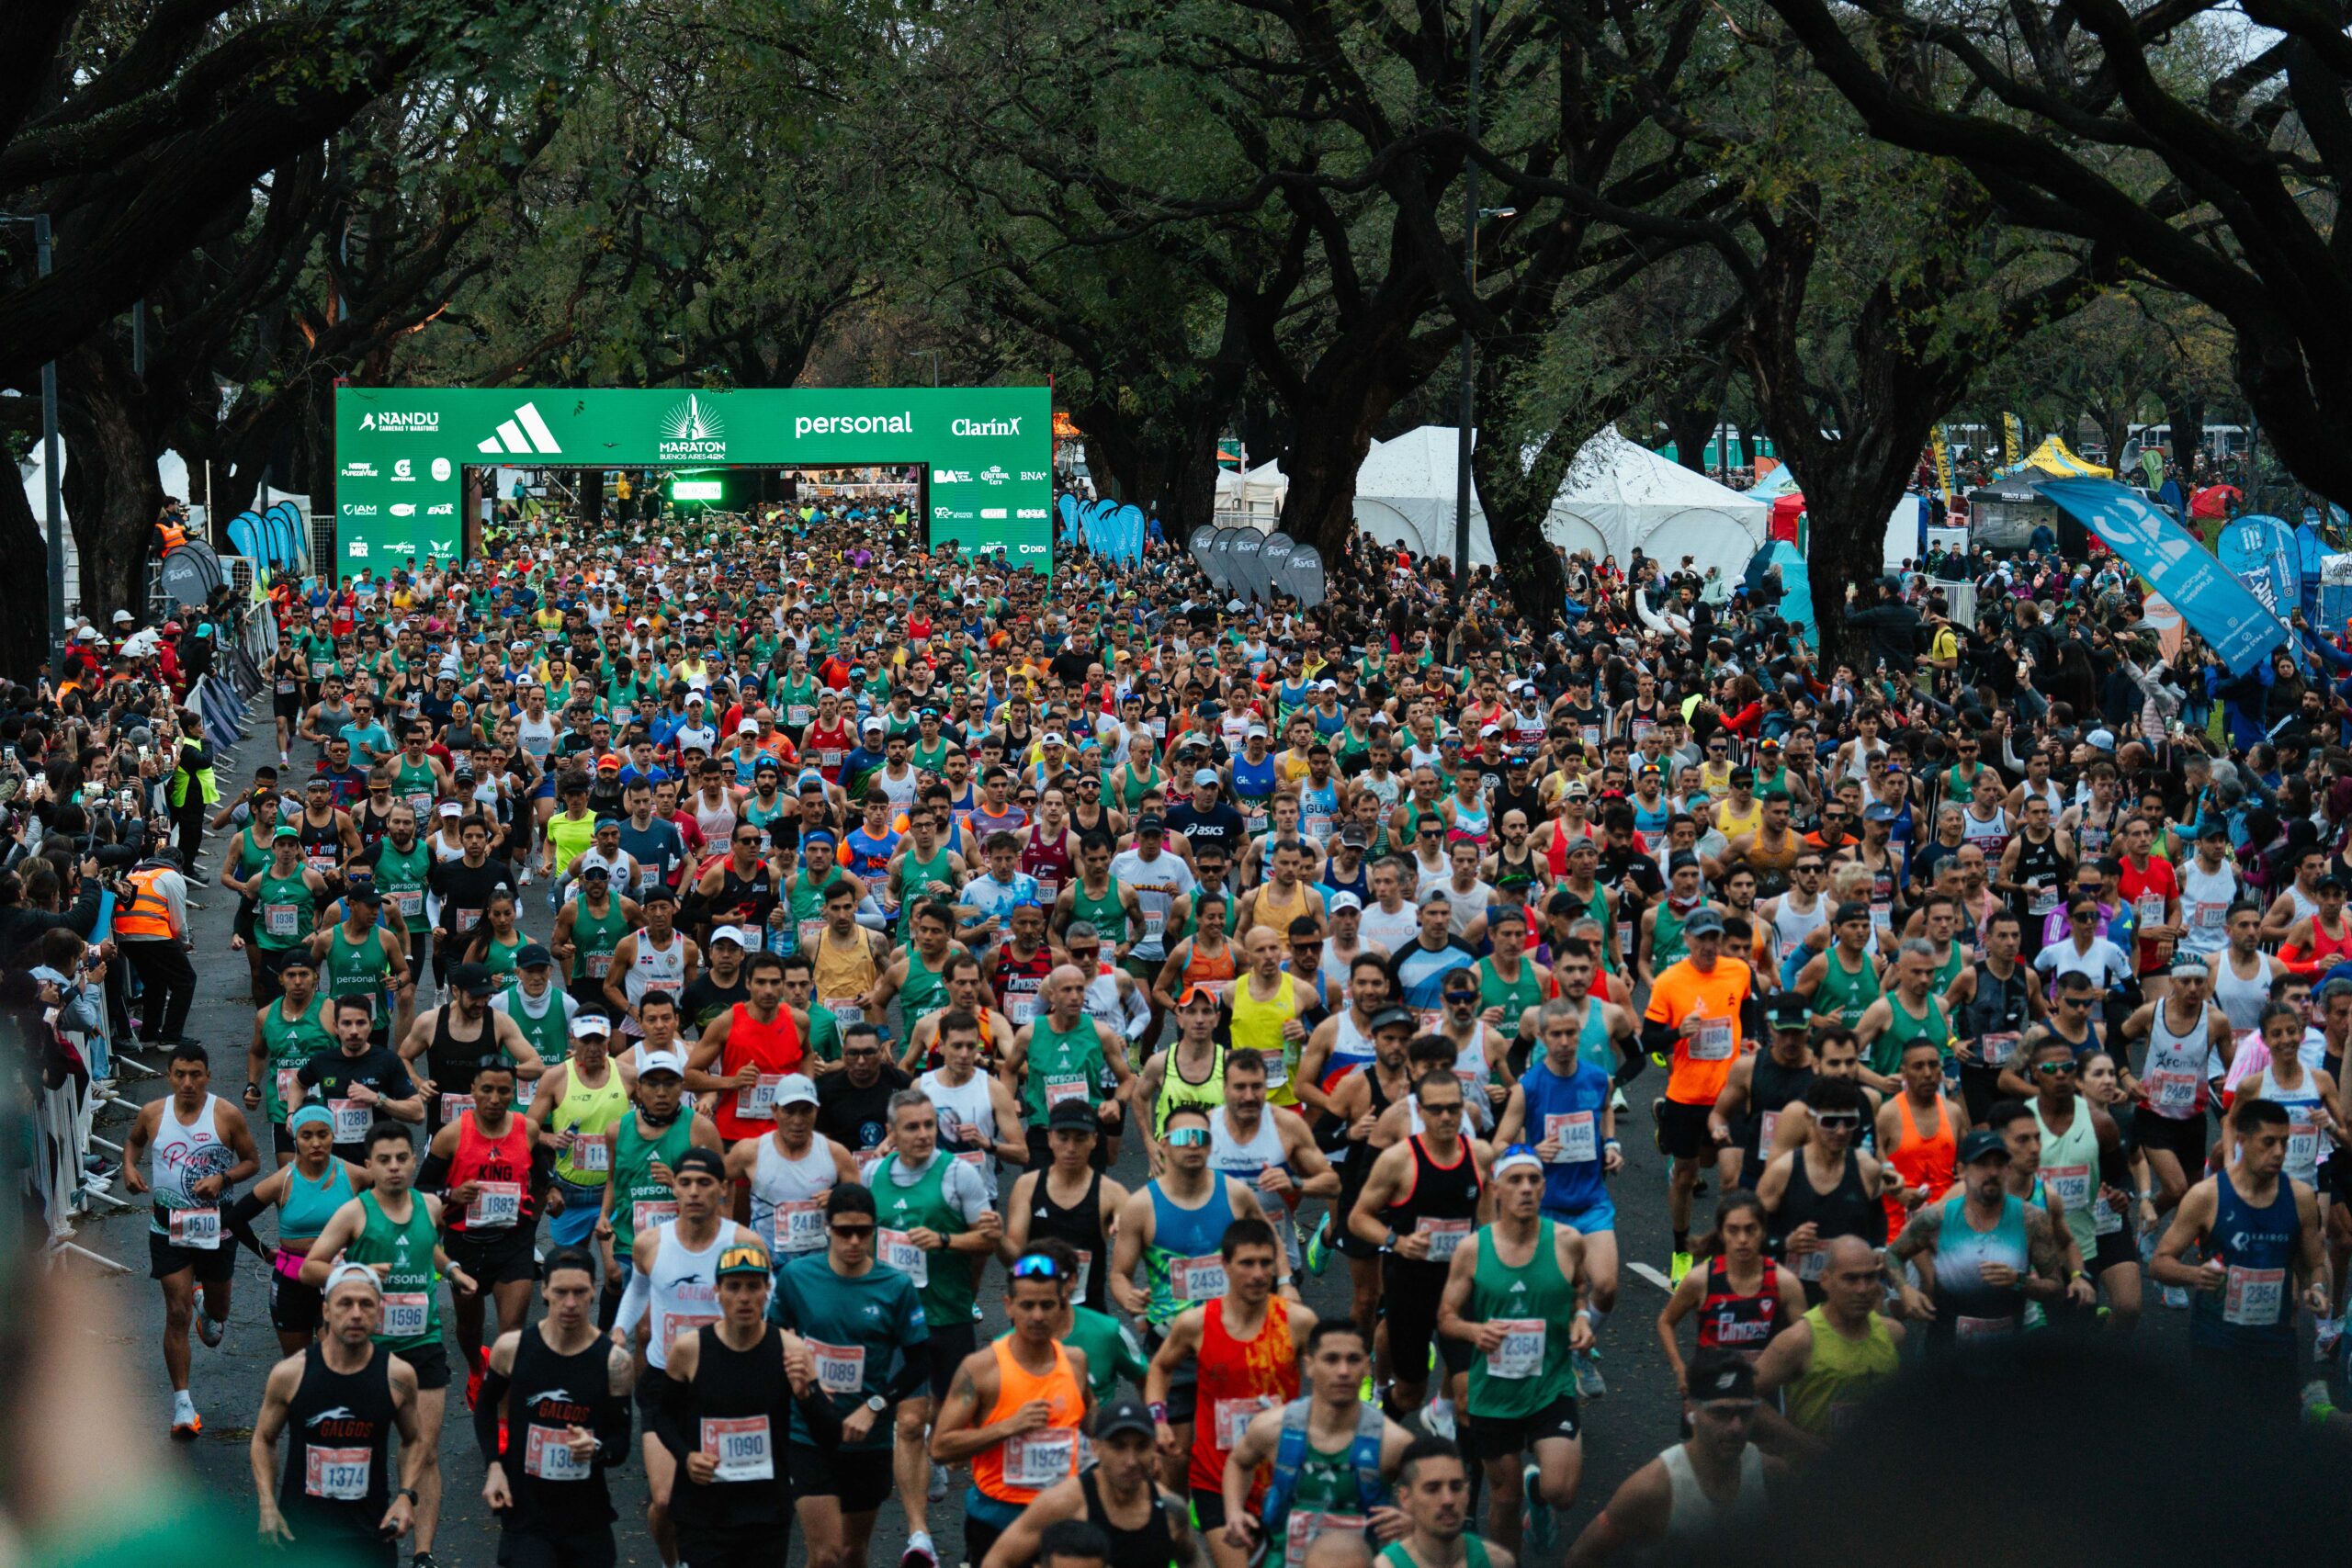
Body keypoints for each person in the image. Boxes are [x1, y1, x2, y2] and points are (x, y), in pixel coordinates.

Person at [300, 1120, 480, 1565]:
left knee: (425, 1450)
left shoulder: (431, 1206)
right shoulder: (355, 1213)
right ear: (369, 1165)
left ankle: (423, 1555)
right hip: (367, 1351)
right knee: (360, 1450)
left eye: (402, 1158)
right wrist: (356, 1273)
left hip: (423, 1341)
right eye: (384, 1160)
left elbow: (425, 1248)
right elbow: (309, 1268)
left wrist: (452, 1270)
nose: (394, 1167)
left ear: (414, 1160)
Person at [871, 1087, 1005, 1568]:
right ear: (892, 1132)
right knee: (907, 1423)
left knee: (951, 1423)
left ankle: (936, 1448)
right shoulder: (873, 1176)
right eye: (912, 1127)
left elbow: (988, 1239)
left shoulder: (957, 1174)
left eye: (929, 1125)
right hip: (896, 1322)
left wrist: (945, 1241)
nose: (924, 1134)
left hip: (947, 1314)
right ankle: (919, 1536)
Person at [1436, 1148, 1591, 1558]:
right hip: (1494, 1395)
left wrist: (1581, 1318)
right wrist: (1475, 1331)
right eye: (1515, 1180)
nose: (1526, 1189)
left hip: (1550, 1386)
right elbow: (1447, 1318)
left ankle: (1539, 1499)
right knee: (1504, 1500)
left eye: (1533, 1180)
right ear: (1496, 1190)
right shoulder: (1472, 1250)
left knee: (1562, 1492)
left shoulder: (1567, 1242)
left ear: (1544, 1188)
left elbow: (1579, 1290)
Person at [775, 1183, 934, 1568]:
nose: (854, 1241)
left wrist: (875, 1406)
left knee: (851, 1552)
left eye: (863, 1231)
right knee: (825, 1555)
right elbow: (772, 1334)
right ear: (828, 1228)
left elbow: (921, 1360)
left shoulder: (895, 1286)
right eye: (844, 1231)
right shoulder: (797, 1277)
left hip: (868, 1438)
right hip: (808, 1432)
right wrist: (799, 1373)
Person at [611, 1145, 754, 1568]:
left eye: (704, 1183)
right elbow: (639, 1289)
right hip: (664, 1382)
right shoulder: (651, 1243)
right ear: (673, 1186)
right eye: (685, 1182)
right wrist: (619, 1330)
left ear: (723, 1189)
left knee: (723, 1496)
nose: (693, 1192)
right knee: (664, 1501)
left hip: (725, 1383)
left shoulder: (743, 1244)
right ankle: (674, 1563)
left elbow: (769, 1304)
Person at [1144, 1214, 1310, 1559]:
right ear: (1225, 1266)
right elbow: (1160, 1367)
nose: (1258, 1274)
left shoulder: (1298, 1322)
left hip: (1283, 1475)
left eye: (1266, 1263)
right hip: (1215, 1476)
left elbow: (1329, 1375)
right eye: (1247, 1263)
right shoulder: (1197, 1323)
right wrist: (1158, 1419)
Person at [2153, 1095, 2330, 1413]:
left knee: (2277, 1433)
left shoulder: (2300, 1198)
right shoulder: (2207, 1196)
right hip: (2216, 1342)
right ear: (2242, 1141)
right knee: (2218, 1433)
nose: (2279, 1152)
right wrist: (2195, 1275)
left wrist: (2316, 1288)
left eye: (2284, 1142)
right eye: (2268, 1142)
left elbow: (2314, 1263)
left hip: (2276, 1344)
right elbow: (2159, 1263)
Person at [647, 1237, 818, 1568]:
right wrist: (686, 1456)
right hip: (704, 1510)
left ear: (767, 1291)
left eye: (753, 1286)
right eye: (734, 1286)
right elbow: (661, 1416)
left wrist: (806, 1396)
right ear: (717, 1292)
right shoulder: (690, 1349)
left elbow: (827, 1431)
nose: (743, 1297)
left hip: (766, 1513)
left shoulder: (790, 1350)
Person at [120, 1043, 261, 1438]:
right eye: (180, 1074)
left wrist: (224, 1178)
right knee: (176, 1312)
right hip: (168, 1227)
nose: (187, 1083)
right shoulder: (153, 1113)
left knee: (217, 1319)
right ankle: (182, 1404)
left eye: (195, 1074)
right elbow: (133, 1141)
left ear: (207, 1076)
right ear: (169, 1076)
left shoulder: (226, 1115)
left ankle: (208, 1306)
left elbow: (253, 1161)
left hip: (216, 1226)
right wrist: (128, 1167)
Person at [250, 1262, 430, 1565]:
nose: (356, 1314)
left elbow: (414, 1440)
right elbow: (263, 1440)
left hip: (370, 1536)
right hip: (301, 1536)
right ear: (326, 1311)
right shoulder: (291, 1374)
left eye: (366, 1304)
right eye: (345, 1303)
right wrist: (267, 1505)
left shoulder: (397, 1377)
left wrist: (406, 1496)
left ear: (379, 1311)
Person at [933, 1249, 1097, 1568]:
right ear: (1009, 1306)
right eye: (1027, 1305)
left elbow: (1092, 1422)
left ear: (1062, 1306)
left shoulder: (1075, 1362)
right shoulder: (981, 1369)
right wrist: (1007, 1427)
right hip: (997, 1519)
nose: (1037, 1316)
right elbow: (940, 1448)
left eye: (1047, 1305)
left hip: (1062, 1519)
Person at [476, 1247, 637, 1568]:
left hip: (586, 1518)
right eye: (561, 1292)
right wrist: (494, 1466)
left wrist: (596, 1448)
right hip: (527, 1516)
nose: (571, 1303)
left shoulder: (614, 1362)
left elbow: (620, 1444)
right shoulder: (513, 1349)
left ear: (594, 1291)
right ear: (545, 1291)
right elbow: (484, 1409)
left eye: (580, 1292)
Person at [1349, 1070, 1493, 1419]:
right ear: (1420, 1111)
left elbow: (1489, 1222)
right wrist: (1396, 1242)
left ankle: (1461, 1449)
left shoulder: (1480, 1155)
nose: (1445, 1117)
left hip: (1460, 1287)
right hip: (1410, 1286)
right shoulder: (1398, 1160)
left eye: (1453, 1108)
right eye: (1436, 1109)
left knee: (1468, 1396)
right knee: (1410, 1394)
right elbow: (1358, 1218)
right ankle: (1381, 1434)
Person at [1220, 1320, 1412, 1568]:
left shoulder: (1393, 1442)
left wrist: (1412, 1523)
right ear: (1309, 1365)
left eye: (1353, 1360)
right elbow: (1238, 1462)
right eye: (1331, 1359)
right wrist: (1234, 1511)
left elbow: (1429, 1491)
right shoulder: (1274, 1428)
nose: (1343, 1371)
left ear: (1367, 1366)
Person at [1558, 1350, 1779, 1565]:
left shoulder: (1771, 1475)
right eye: (1721, 1413)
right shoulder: (1651, 1489)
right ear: (1689, 1410)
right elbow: (1581, 1558)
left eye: (1745, 1412)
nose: (1736, 1427)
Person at [419, 1054, 545, 1408]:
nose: (494, 1099)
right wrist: (452, 1195)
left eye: (503, 1091)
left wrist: (540, 1208)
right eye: (487, 1089)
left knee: (512, 1332)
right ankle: (477, 1368)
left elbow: (542, 1175)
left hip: (513, 1242)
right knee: (470, 1329)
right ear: (473, 1090)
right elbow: (422, 1190)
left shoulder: (527, 1129)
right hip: (466, 1243)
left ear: (513, 1092)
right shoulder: (451, 1135)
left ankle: (502, 1408)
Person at [1639, 906, 1754, 1280]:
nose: (1708, 945)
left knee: (1731, 1179)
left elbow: (1749, 1010)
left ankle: (1725, 1251)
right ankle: (1681, 1250)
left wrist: (1752, 1040)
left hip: (1730, 1095)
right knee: (1687, 1175)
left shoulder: (1738, 971)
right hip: (1687, 1095)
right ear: (1687, 939)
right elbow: (1647, 1040)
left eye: (1714, 938)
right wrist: (1677, 1033)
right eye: (1701, 938)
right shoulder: (1669, 982)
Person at [1883, 1127, 2072, 1351]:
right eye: (1982, 1164)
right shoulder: (1938, 1219)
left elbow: (2056, 1290)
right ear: (1961, 1170)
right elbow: (1893, 1254)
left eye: (1999, 1164)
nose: (1992, 1172)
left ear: (2008, 1169)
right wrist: (1905, 1290)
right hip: (1946, 1354)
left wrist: (2019, 1281)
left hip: (2007, 1354)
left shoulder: (2031, 1220)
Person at [223, 1101, 370, 1358]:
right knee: (298, 1365)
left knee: (336, 1356)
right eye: (307, 1136)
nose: (316, 1143)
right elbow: (235, 1218)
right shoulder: (283, 1181)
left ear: (333, 1135)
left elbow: (387, 1212)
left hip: (339, 1278)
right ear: (296, 1139)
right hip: (291, 1282)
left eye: (323, 1134)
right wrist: (264, 1252)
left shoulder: (354, 1175)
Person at [978, 1397, 1196, 1568]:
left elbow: (1193, 1560)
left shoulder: (1169, 1508)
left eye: (1141, 1447)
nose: (1131, 1461)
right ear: (1095, 1448)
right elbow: (997, 1561)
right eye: (1118, 1446)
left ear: (1153, 1449)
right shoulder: (1063, 1503)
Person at [1748, 1233, 1903, 1454]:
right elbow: (1744, 1392)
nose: (1862, 1289)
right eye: (1850, 1279)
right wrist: (1802, 1441)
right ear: (1825, 1280)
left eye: (1870, 1278)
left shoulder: (1893, 1334)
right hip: (1812, 1472)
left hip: (1876, 1469)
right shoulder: (1799, 1340)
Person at [1004, 1098, 1131, 1315]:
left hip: (1088, 1314)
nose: (1071, 1148)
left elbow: (1127, 1266)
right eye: (1063, 1138)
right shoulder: (1027, 1187)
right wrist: (997, 1238)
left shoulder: (1113, 1194)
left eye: (1080, 1138)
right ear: (1050, 1139)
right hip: (1035, 1314)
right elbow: (1014, 1255)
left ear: (1094, 1140)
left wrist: (1128, 1228)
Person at [1374, 1438, 1515, 1568]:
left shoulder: (1498, 1562)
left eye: (1456, 1487)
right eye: (1432, 1489)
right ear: (1405, 1498)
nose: (1448, 1500)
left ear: (1467, 1494)